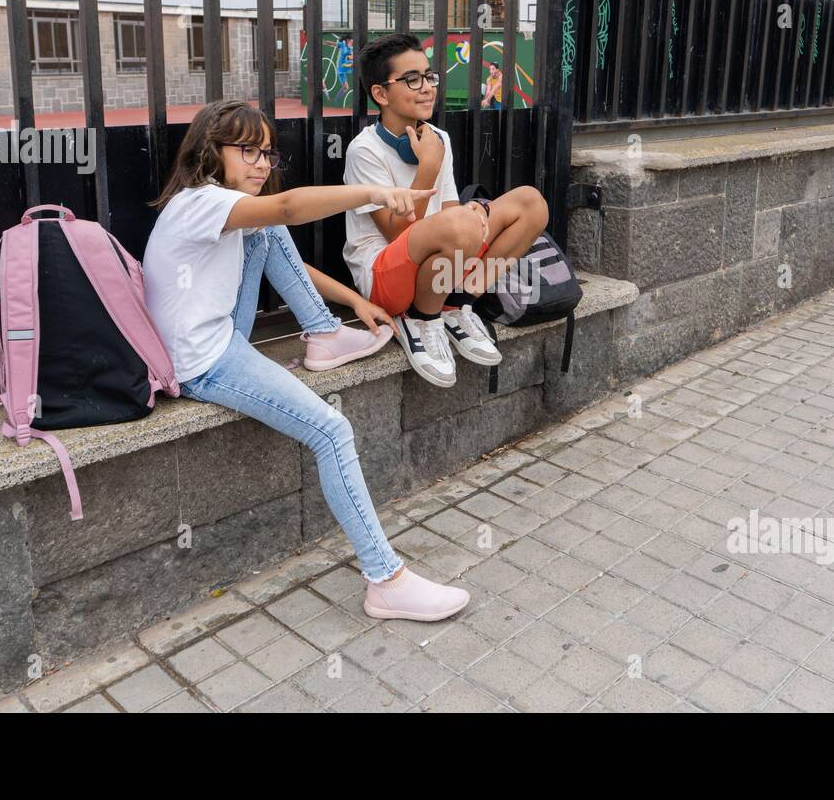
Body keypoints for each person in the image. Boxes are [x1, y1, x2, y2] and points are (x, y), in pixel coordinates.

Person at [142, 98, 470, 621]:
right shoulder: (200, 201)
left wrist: (355, 301)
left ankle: (322, 333)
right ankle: (385, 580)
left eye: (267, 153)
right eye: (246, 149)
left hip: (223, 331)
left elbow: (281, 235)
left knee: (268, 229)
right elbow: (291, 206)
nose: (258, 163)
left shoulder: (222, 204)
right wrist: (378, 193)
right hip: (204, 360)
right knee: (332, 431)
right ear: (210, 150)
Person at [342, 33, 549, 387]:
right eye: (412, 79)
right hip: (385, 276)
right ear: (380, 94)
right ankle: (422, 319)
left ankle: (458, 303)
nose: (427, 88)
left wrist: (471, 217)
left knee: (530, 203)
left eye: (429, 76)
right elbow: (396, 232)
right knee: (460, 225)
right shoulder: (365, 151)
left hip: (442, 262)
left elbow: (451, 207)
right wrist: (427, 167)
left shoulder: (438, 137)